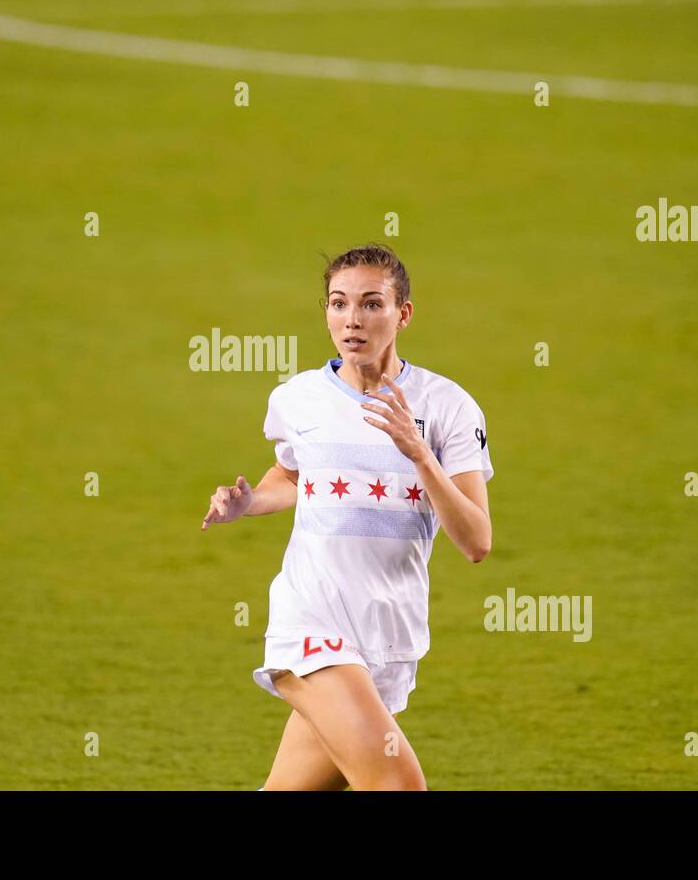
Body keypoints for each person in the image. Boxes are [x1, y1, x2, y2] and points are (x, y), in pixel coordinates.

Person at [201, 243, 494, 790]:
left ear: (403, 313)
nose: (351, 320)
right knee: (398, 785)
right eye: (338, 304)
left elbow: (476, 539)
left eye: (370, 304)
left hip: (388, 640)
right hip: (312, 624)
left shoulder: (448, 407)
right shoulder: (300, 399)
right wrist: (249, 501)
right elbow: (292, 475)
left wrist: (419, 453)